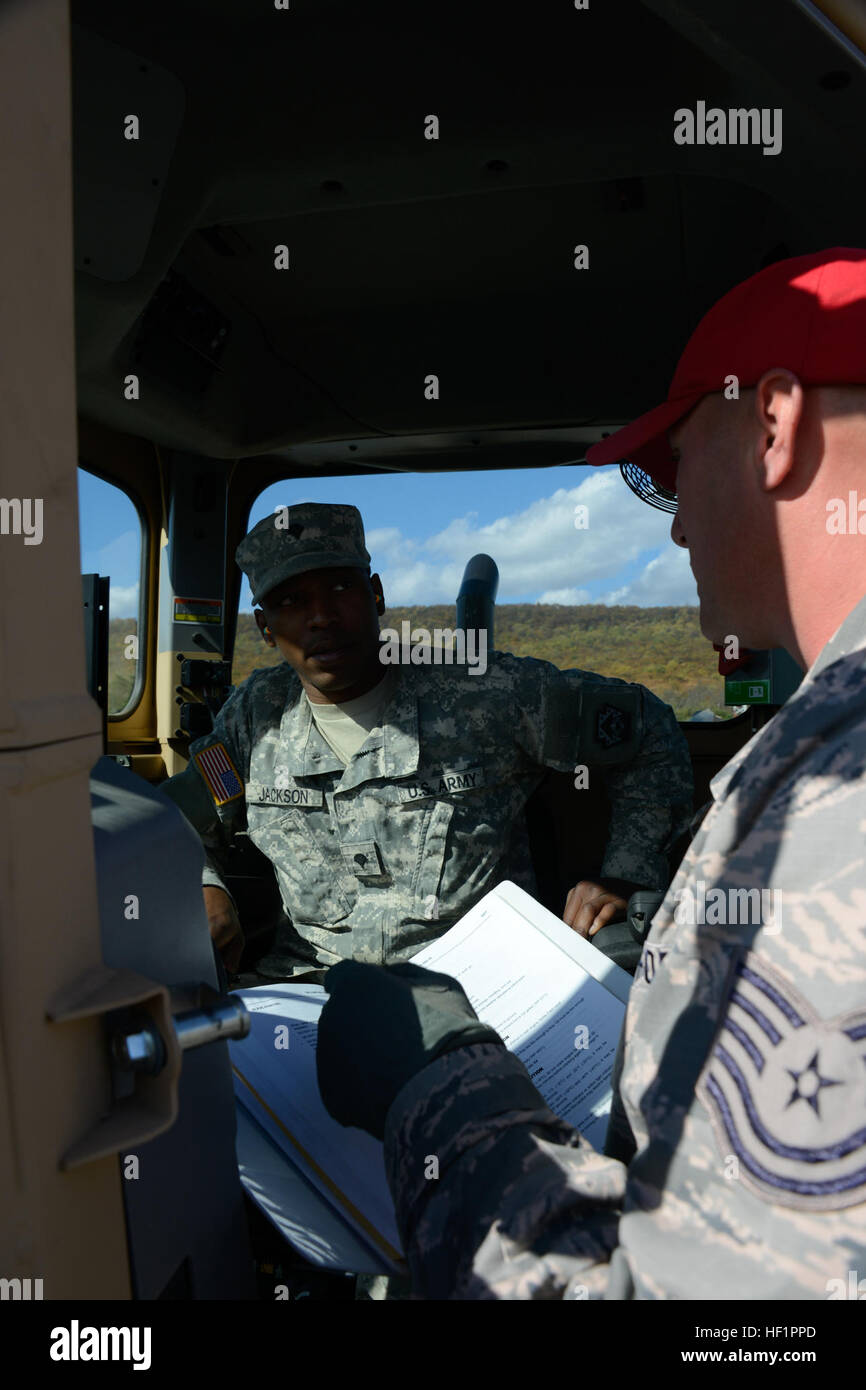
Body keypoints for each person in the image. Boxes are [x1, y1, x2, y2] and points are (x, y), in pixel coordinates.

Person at [315, 246, 866, 1299]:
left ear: (770, 426)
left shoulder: (830, 805)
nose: (672, 520)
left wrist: (437, 1085)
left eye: (671, 466)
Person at [161, 502, 693, 979]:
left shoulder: (483, 690)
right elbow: (176, 820)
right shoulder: (256, 717)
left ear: (377, 595)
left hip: (480, 989)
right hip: (310, 991)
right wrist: (204, 887)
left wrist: (627, 875)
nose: (321, 616)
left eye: (342, 588)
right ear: (264, 626)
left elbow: (648, 729)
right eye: (292, 600)